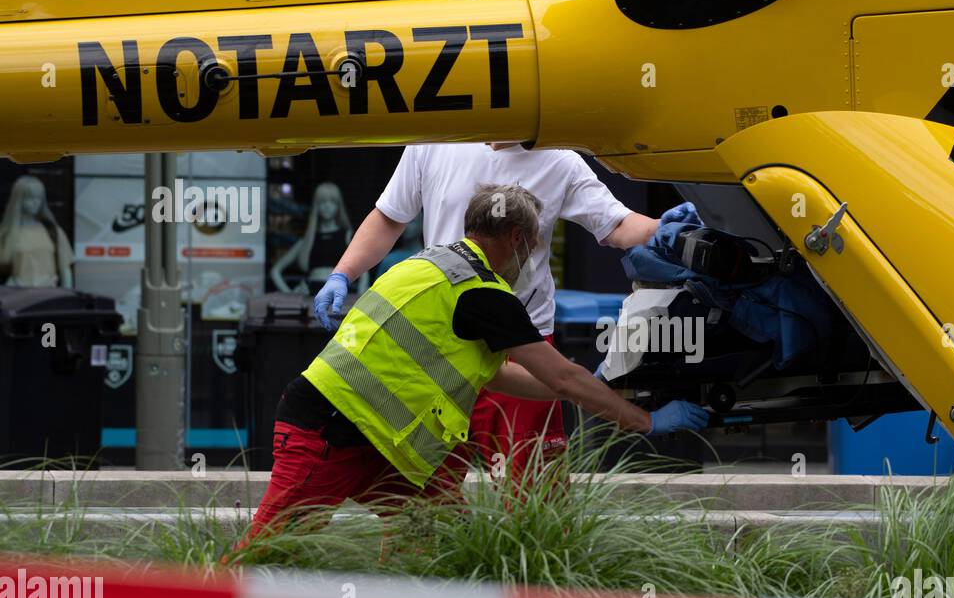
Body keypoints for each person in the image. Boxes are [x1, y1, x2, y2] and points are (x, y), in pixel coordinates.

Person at [239, 183, 708, 548]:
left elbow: (504, 375)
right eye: (535, 242)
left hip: (371, 438)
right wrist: (645, 421)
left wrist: (599, 384)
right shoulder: (484, 292)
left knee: (439, 535)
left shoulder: (426, 264)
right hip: (331, 431)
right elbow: (562, 377)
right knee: (273, 545)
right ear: (521, 238)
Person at [312, 142, 699, 478]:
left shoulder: (559, 159)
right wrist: (342, 274)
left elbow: (616, 224)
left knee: (533, 487)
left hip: (520, 336)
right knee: (425, 481)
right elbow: (390, 215)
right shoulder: (436, 142)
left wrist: (663, 228)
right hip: (442, 339)